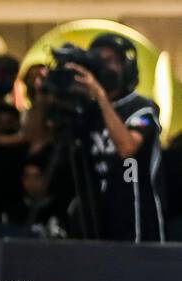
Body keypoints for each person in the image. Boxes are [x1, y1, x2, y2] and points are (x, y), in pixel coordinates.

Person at [68, 33, 166, 242]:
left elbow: (127, 147)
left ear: (127, 67)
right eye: (99, 60)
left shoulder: (142, 107)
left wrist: (101, 96)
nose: (105, 67)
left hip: (135, 214)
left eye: (111, 61)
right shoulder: (87, 111)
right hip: (95, 215)